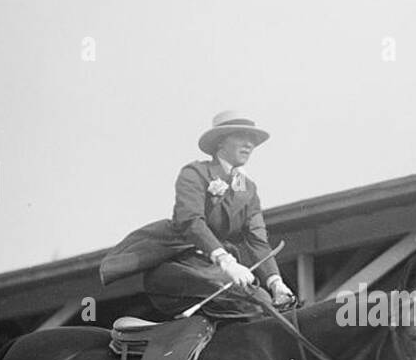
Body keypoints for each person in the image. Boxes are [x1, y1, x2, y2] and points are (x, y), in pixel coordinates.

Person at [98, 111, 296, 318]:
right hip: (177, 265)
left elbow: (258, 241)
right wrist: (227, 263)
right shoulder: (194, 173)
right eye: (241, 137)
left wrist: (276, 282)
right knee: (253, 303)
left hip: (212, 270)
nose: (249, 145)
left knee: (265, 301)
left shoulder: (248, 189)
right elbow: (191, 222)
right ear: (221, 142)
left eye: (252, 140)